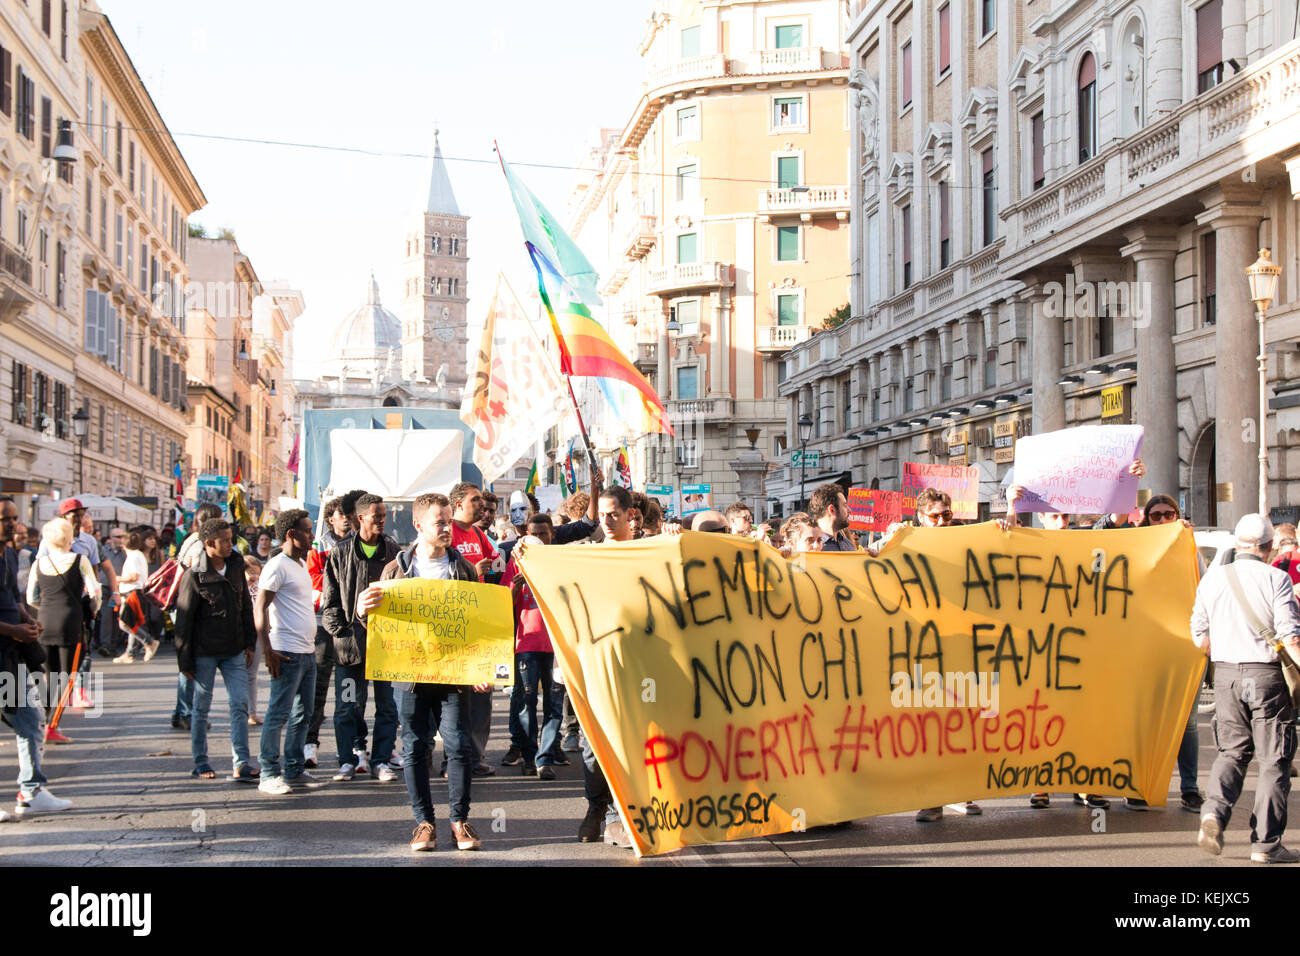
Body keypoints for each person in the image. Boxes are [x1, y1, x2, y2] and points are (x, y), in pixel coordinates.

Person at [356, 492, 484, 851]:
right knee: (414, 747)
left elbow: (478, 625)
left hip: (454, 673)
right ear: (418, 526)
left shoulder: (463, 569)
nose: (447, 528)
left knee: (459, 746)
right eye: (439, 522)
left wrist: (482, 667)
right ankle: (424, 823)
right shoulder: (394, 570)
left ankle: (459, 821)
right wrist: (364, 611)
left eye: (448, 520)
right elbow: (378, 628)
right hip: (409, 676)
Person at [1192, 514, 1300, 863]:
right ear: (1269, 548)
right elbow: (1291, 637)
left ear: (1239, 544)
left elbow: (1199, 638)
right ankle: (1266, 844)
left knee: (1232, 753)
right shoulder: (1277, 579)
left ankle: (1213, 814)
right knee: (1272, 761)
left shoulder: (1211, 580)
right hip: (1265, 676)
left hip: (1226, 676)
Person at [911, 488, 983, 821]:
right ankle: (933, 799)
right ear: (920, 517)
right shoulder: (902, 545)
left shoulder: (966, 545)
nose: (941, 521)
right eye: (935, 516)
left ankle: (963, 791)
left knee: (967, 721)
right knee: (929, 726)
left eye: (947, 515)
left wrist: (1008, 521)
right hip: (922, 653)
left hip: (965, 649)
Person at [0, 497, 72, 819]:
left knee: (29, 717)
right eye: (5, 518)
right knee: (27, 717)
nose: (12, 524)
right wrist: (13, 629)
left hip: (10, 656)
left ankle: (32, 790)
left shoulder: (11, 556)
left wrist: (26, 619)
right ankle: (32, 788)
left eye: (13, 518)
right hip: (6, 647)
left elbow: (11, 598)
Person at [322, 493, 401, 781]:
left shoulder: (394, 551)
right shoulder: (339, 553)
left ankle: (381, 760)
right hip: (348, 651)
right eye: (377, 516)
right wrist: (344, 631)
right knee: (347, 706)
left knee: (387, 707)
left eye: (384, 515)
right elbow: (328, 603)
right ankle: (348, 759)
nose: (382, 520)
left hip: (386, 649)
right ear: (360, 518)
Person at [174, 519, 258, 782]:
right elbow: (183, 622)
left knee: (239, 705)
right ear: (209, 544)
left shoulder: (235, 564)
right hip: (203, 653)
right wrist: (184, 662)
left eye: (231, 539)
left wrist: (249, 642)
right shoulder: (193, 575)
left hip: (234, 649)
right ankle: (200, 762)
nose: (230, 545)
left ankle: (241, 763)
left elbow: (244, 604)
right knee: (201, 709)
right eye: (225, 540)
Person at [578, 485, 637, 847]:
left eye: (614, 514)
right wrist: (526, 550)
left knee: (630, 740)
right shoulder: (587, 555)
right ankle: (595, 808)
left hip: (639, 663)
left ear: (631, 515)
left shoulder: (648, 550)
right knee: (593, 743)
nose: (607, 521)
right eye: (601, 515)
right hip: (597, 661)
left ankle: (623, 813)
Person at [254, 510, 322, 795]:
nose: (311, 535)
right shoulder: (277, 565)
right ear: (291, 534)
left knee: (303, 714)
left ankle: (294, 768)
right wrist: (267, 650)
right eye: (307, 530)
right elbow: (260, 607)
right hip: (286, 651)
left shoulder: (300, 563)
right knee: (278, 714)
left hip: (307, 652)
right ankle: (269, 773)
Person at [26, 518, 101, 744]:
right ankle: (51, 726)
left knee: (49, 675)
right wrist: (92, 610)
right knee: (67, 677)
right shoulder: (81, 560)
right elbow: (95, 591)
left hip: (45, 621)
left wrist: (45, 608)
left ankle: (44, 721)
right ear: (70, 538)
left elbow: (31, 597)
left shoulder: (38, 563)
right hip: (71, 621)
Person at [502, 514, 563, 778]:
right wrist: (517, 588)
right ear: (524, 536)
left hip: (559, 647)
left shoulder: (563, 563)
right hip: (527, 643)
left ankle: (544, 758)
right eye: (533, 534)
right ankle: (529, 754)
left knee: (554, 704)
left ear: (552, 535)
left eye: (544, 534)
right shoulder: (516, 564)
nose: (538, 538)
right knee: (526, 702)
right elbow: (503, 604)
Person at [449, 482, 500, 777]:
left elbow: (495, 563)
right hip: (455, 622)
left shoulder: (479, 534)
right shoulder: (448, 531)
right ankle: (453, 758)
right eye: (475, 500)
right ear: (458, 504)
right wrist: (473, 570)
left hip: (479, 621)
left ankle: (476, 754)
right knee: (455, 694)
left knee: (482, 692)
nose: (482, 505)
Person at [304, 496, 350, 769]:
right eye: (339, 514)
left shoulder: (359, 543)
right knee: (319, 688)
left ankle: (355, 748)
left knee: (350, 691)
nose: (345, 518)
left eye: (348, 513)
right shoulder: (319, 546)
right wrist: (346, 581)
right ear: (330, 518)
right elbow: (316, 580)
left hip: (350, 626)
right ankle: (310, 744)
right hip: (323, 623)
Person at [172, 503, 222, 731]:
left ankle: (181, 710)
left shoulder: (190, 539)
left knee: (187, 660)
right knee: (190, 662)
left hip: (182, 606)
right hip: (190, 608)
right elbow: (199, 578)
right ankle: (185, 712)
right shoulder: (200, 545)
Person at [113, 531, 158, 664]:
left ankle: (149, 641)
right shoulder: (138, 555)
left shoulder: (133, 557)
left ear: (123, 545)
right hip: (136, 592)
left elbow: (134, 576)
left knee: (125, 623)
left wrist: (119, 579)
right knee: (133, 623)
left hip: (132, 592)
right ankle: (130, 653)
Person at [809, 484, 856, 552]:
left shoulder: (848, 545)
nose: (849, 510)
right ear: (832, 510)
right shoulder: (810, 547)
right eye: (845, 505)